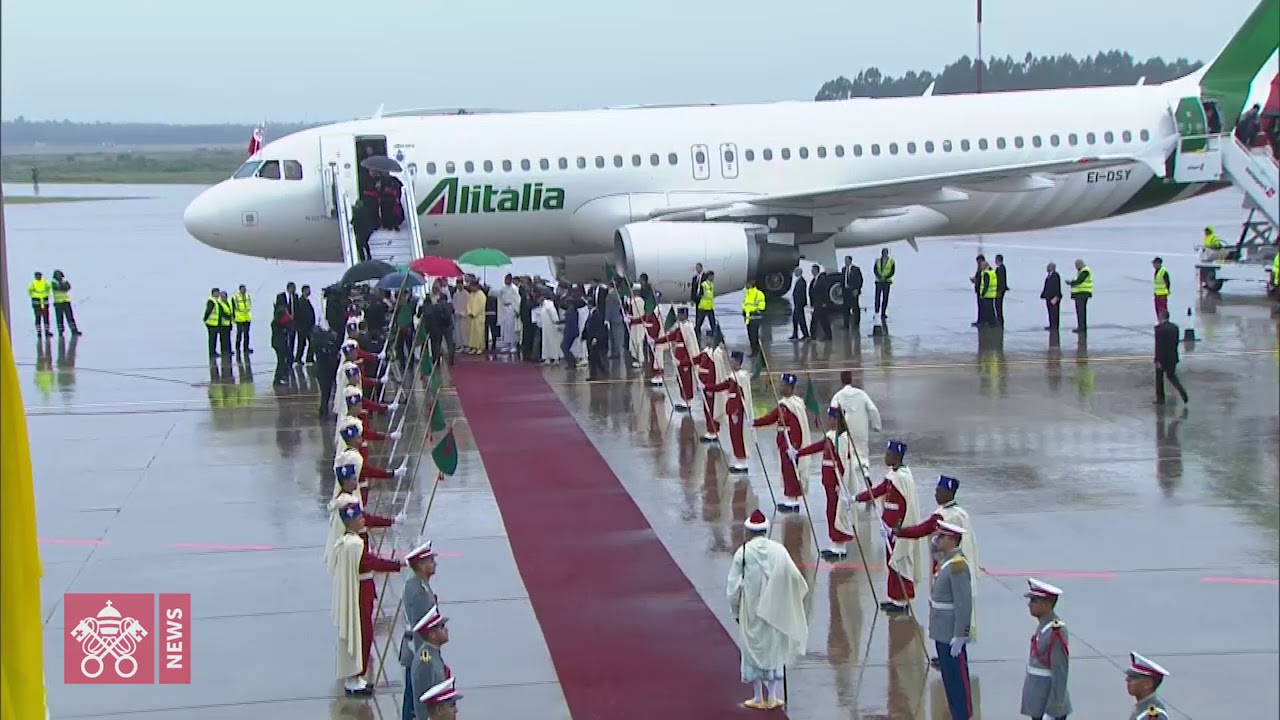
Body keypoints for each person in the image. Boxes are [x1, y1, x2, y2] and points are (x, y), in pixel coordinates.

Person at [726, 509, 809, 711]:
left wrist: (736, 611)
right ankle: (772, 696)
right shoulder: (779, 551)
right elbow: (795, 578)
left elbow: (733, 588)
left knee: (753, 650)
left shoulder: (743, 553)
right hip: (775, 609)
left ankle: (757, 696)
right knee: (774, 650)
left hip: (751, 610)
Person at [895, 475, 980, 666]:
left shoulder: (946, 516)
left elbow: (923, 530)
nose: (935, 494)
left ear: (949, 493)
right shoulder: (959, 513)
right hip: (952, 566)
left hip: (946, 568)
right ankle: (949, 651)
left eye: (939, 491)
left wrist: (900, 532)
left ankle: (949, 653)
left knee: (946, 611)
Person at [330, 502, 405, 696]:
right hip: (361, 592)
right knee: (363, 634)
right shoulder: (354, 545)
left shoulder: (350, 541)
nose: (363, 520)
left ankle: (356, 677)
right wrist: (398, 564)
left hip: (362, 590)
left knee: (363, 634)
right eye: (359, 518)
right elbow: (371, 563)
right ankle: (354, 678)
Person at [854, 439, 922, 614]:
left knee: (899, 562)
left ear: (897, 457)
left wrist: (897, 527)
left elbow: (905, 506)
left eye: (888, 455)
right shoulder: (892, 476)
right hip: (888, 526)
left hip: (897, 528)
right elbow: (878, 491)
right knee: (891, 562)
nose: (885, 457)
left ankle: (903, 599)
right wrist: (857, 498)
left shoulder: (903, 478)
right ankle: (895, 597)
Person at [928, 520, 974, 720]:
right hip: (942, 631)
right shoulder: (947, 560)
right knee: (949, 679)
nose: (939, 539)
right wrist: (934, 540)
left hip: (951, 632)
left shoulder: (957, 566)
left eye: (943, 536)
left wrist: (960, 634)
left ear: (953, 539)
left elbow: (963, 603)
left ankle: (963, 715)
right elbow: (934, 551)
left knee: (958, 682)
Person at [796, 408, 857, 559]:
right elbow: (817, 447)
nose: (829, 421)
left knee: (836, 511)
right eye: (829, 418)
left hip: (836, 482)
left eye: (832, 418)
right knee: (830, 511)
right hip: (828, 480)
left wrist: (841, 483)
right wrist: (799, 452)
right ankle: (834, 543)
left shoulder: (842, 439)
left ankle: (840, 545)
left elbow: (844, 463)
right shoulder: (831, 436)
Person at [752, 373, 811, 512]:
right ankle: (790, 499)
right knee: (786, 472)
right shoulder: (783, 405)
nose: (780, 387)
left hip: (790, 445)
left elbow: (797, 428)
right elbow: (771, 418)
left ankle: (792, 501)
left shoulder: (794, 406)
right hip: (783, 443)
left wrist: (795, 446)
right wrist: (755, 422)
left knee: (791, 473)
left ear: (790, 387)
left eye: (783, 385)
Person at [1020, 578, 1071, 720]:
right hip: (1038, 701)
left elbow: (1060, 673)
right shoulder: (1043, 627)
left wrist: (1053, 709)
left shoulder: (1056, 632)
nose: (1030, 605)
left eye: (1034, 601)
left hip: (1048, 704)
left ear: (1047, 604)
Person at [399, 544, 440, 720]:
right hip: (418, 649)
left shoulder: (416, 585)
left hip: (416, 649)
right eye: (431, 560)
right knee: (416, 699)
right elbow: (421, 628)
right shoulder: (420, 592)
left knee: (412, 693)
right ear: (421, 565)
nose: (435, 563)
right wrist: (424, 657)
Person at [707, 350, 752, 472]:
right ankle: (738, 459)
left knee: (738, 435)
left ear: (737, 362)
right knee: (734, 436)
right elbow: (722, 386)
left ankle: (742, 460)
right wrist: (707, 387)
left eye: (732, 360)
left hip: (737, 412)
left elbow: (741, 396)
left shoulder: (741, 377)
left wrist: (736, 411)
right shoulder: (732, 377)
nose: (731, 362)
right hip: (732, 411)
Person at [829, 369, 882, 471]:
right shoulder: (862, 394)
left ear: (841, 380)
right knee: (862, 454)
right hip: (860, 430)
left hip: (845, 431)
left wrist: (832, 429)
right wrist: (876, 426)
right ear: (852, 380)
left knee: (848, 454)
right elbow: (873, 410)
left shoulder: (838, 396)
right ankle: (865, 473)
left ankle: (850, 475)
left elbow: (832, 413)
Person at [664, 306, 700, 410]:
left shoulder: (688, 327)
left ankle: (688, 401)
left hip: (685, 359)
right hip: (678, 358)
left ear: (685, 315)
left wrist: (684, 361)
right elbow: (672, 337)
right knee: (680, 380)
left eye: (681, 314)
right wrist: (660, 340)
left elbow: (690, 345)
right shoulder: (679, 328)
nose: (679, 316)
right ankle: (684, 399)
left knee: (686, 380)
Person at [1154, 309, 1188, 405]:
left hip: (1162, 358)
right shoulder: (1175, 328)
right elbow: (1176, 342)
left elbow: (1159, 346)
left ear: (1161, 317)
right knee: (1172, 376)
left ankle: (1160, 399)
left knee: (1159, 378)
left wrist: (1158, 360)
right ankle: (1182, 391)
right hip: (1173, 356)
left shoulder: (1159, 329)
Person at [1124, 652, 1170, 719]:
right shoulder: (1142, 709)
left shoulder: (1153, 715)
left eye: (1133, 677)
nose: (1127, 679)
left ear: (1148, 684)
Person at [47, 270, 82, 336]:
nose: (59, 276)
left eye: (60, 275)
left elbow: (67, 287)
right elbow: (59, 288)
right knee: (59, 318)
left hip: (66, 301)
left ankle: (74, 331)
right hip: (58, 302)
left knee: (70, 317)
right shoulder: (53, 282)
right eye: (57, 275)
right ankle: (60, 332)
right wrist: (62, 286)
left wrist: (62, 286)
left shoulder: (64, 281)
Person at [583, 296, 609, 380]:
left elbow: (599, 328)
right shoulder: (591, 313)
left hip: (594, 338)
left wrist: (595, 338)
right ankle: (603, 370)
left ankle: (593, 375)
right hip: (590, 338)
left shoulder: (597, 314)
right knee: (596, 357)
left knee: (593, 358)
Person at [1065, 259, 1092, 334]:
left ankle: (1082, 327)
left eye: (1076, 265)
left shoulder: (1085, 271)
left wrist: (1071, 283)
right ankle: (1081, 326)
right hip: (1079, 294)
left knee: (1081, 311)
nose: (1076, 267)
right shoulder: (1081, 271)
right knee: (1080, 311)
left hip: (1083, 293)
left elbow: (1080, 281)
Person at [626, 283, 648, 369]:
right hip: (634, 325)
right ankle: (636, 358)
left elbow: (640, 315)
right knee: (634, 341)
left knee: (638, 341)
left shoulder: (639, 301)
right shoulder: (631, 300)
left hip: (639, 326)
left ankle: (640, 360)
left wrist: (632, 319)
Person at [537, 291, 562, 364]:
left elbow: (554, 316)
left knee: (553, 342)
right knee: (546, 342)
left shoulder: (549, 305)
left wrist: (557, 325)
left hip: (552, 327)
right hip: (545, 327)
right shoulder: (541, 306)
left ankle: (555, 358)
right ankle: (546, 358)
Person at [292, 285, 316, 364]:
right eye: (308, 290)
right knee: (302, 343)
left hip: (308, 327)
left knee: (310, 343)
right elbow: (301, 315)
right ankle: (299, 358)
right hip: (304, 327)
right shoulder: (301, 301)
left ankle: (308, 358)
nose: (309, 292)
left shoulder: (306, 300)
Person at [742, 279, 766, 356]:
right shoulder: (747, 293)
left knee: (753, 335)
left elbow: (761, 305)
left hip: (754, 318)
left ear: (751, 284)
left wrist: (756, 311)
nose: (746, 285)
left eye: (747, 284)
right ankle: (754, 351)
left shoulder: (758, 293)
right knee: (750, 335)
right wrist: (744, 311)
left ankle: (756, 352)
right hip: (748, 317)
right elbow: (745, 303)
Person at [275, 282, 298, 359]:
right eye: (293, 288)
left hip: (293, 323)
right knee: (285, 340)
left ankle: (290, 355)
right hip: (284, 322)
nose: (294, 290)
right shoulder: (281, 296)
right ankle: (285, 354)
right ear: (289, 288)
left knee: (292, 339)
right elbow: (277, 311)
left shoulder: (295, 296)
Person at [497, 274, 520, 354]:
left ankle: (513, 345)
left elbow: (517, 300)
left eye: (507, 280)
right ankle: (506, 344)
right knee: (505, 328)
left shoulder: (514, 289)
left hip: (511, 309)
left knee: (511, 328)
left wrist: (517, 310)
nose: (505, 281)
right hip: (505, 309)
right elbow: (500, 296)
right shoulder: (503, 288)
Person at [271, 304, 292, 385]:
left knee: (282, 360)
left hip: (278, 343)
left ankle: (280, 376)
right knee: (281, 361)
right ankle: (277, 379)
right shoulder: (278, 323)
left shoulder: (276, 322)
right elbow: (286, 326)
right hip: (279, 344)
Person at [27, 271, 52, 337]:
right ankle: (39, 332)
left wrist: (46, 294)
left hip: (44, 301)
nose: (39, 276)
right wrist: (34, 296)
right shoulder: (33, 283)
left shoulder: (44, 282)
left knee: (46, 317)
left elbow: (49, 288)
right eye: (37, 275)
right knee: (38, 317)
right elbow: (30, 291)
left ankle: (47, 331)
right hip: (37, 302)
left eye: (39, 275)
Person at [465, 280, 487, 355]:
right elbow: (468, 304)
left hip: (479, 317)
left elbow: (481, 306)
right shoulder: (471, 294)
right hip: (471, 317)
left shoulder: (481, 295)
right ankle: (474, 347)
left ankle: (480, 347)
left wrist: (474, 313)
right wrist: (469, 312)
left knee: (479, 332)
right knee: (472, 333)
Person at [873, 248, 895, 321]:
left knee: (885, 298)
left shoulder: (891, 261)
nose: (884, 254)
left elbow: (892, 271)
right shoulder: (878, 261)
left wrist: (885, 277)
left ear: (887, 253)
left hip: (886, 282)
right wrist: (880, 277)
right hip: (879, 281)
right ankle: (876, 312)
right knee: (877, 297)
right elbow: (875, 270)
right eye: (883, 253)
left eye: (885, 253)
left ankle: (883, 313)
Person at [842, 255, 863, 329]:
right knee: (845, 308)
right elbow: (842, 280)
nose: (846, 262)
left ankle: (856, 322)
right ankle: (846, 324)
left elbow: (860, 280)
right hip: (846, 291)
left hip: (853, 290)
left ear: (850, 261)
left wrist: (857, 289)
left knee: (855, 307)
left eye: (847, 260)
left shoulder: (855, 269)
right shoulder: (844, 269)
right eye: (845, 260)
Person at [789, 267, 810, 340]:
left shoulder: (801, 281)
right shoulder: (799, 281)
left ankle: (805, 334)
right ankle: (795, 334)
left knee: (801, 319)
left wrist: (800, 303)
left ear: (799, 272)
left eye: (795, 272)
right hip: (797, 304)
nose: (794, 273)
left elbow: (801, 294)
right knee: (795, 319)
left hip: (799, 304)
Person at [1040, 263, 1062, 331]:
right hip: (1048, 297)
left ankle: (1055, 326)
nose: (1047, 268)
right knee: (1050, 312)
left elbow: (1057, 287)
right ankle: (1051, 325)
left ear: (1052, 268)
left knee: (1054, 312)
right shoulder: (1049, 276)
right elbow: (1046, 287)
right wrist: (1043, 294)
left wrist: (1057, 296)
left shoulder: (1055, 275)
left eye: (1048, 267)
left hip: (1054, 297)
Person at [696, 270, 718, 337]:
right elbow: (699, 294)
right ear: (708, 277)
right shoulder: (703, 285)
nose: (713, 278)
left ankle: (715, 336)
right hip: (703, 307)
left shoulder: (711, 285)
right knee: (699, 324)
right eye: (711, 276)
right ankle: (696, 335)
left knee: (713, 323)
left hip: (710, 307)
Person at [232, 284, 253, 355]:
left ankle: (246, 348)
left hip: (247, 318)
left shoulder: (248, 296)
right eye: (243, 289)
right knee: (239, 334)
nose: (244, 290)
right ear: (239, 290)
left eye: (245, 289)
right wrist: (233, 317)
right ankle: (237, 348)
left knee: (246, 334)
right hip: (239, 318)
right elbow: (233, 307)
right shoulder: (235, 297)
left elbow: (249, 305)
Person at [203, 287, 224, 358]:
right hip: (211, 323)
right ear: (213, 293)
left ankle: (214, 352)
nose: (218, 294)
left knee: (214, 339)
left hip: (215, 323)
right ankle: (212, 353)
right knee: (212, 339)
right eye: (217, 292)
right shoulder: (211, 301)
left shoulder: (217, 300)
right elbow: (208, 311)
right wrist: (205, 319)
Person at [977, 259, 998, 328]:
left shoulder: (986, 273)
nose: (981, 267)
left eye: (982, 266)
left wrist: (982, 294)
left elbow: (986, 285)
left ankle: (991, 323)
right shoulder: (992, 272)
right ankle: (992, 322)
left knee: (988, 310)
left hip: (987, 294)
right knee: (991, 309)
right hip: (992, 294)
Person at [217, 291, 234, 358]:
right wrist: (229, 317)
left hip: (228, 323)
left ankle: (228, 350)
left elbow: (230, 311)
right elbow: (221, 314)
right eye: (222, 296)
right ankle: (224, 351)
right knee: (223, 339)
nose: (223, 298)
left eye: (224, 296)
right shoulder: (219, 304)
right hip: (222, 324)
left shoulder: (228, 303)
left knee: (228, 338)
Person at [993, 254, 1009, 326]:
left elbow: (1001, 280)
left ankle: (999, 320)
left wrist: (999, 290)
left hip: (1000, 290)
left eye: (996, 259)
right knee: (997, 305)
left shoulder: (1001, 268)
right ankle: (998, 319)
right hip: (999, 289)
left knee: (998, 305)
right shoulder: (1000, 268)